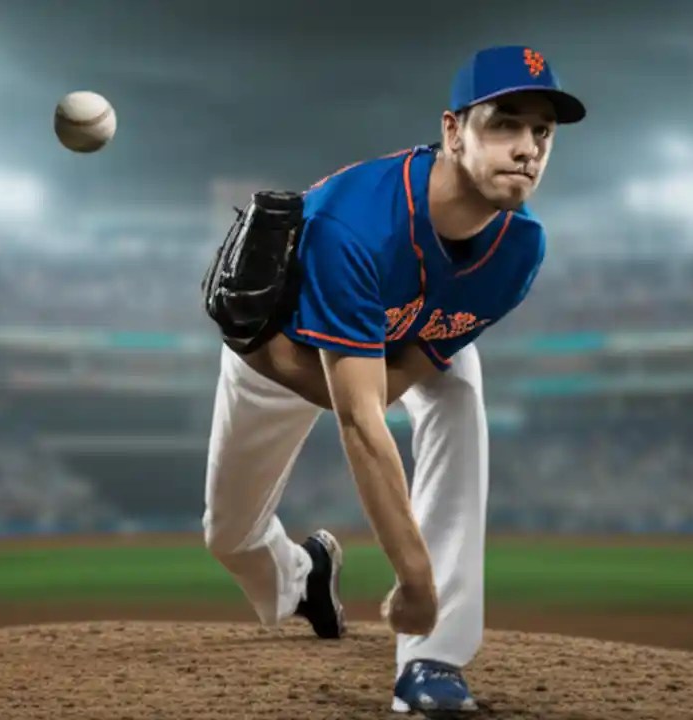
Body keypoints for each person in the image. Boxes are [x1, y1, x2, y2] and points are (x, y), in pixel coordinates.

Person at [200, 44, 585, 716]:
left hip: (400, 345)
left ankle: (433, 658)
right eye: (505, 122)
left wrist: (423, 590)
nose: (528, 147)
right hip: (278, 355)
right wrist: (412, 577)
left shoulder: (520, 248)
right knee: (228, 537)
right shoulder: (357, 226)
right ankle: (303, 576)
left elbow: (394, 387)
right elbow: (357, 419)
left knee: (459, 396)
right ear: (453, 129)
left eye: (542, 132)